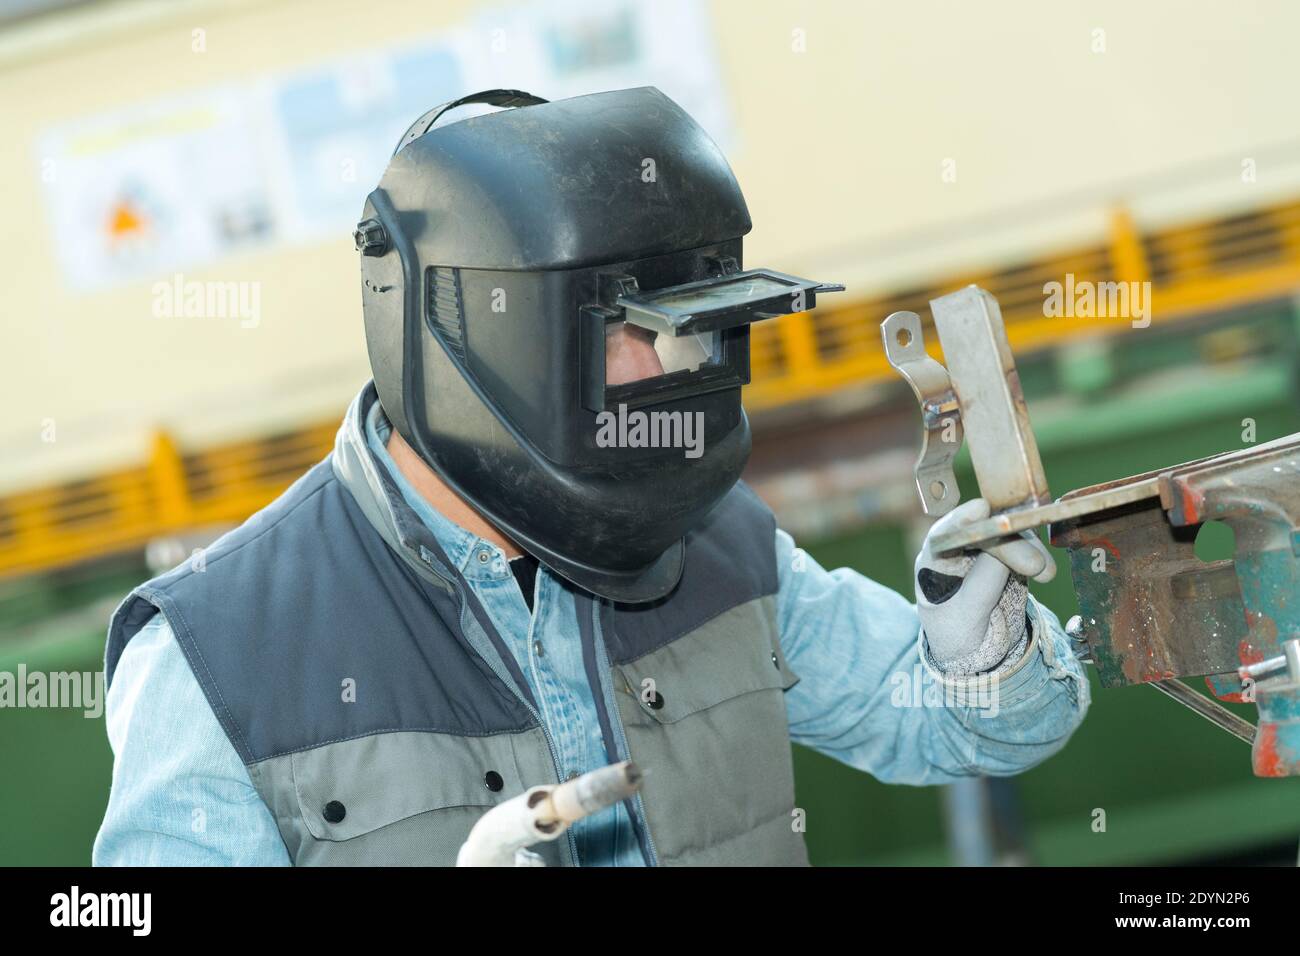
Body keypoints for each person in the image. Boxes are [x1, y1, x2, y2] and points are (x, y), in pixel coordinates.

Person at [94, 88, 1088, 867]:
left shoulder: (716, 546)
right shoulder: (218, 651)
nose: (668, 374)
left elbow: (966, 732)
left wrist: (977, 655)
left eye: (693, 325)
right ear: (466, 339)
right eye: (625, 331)